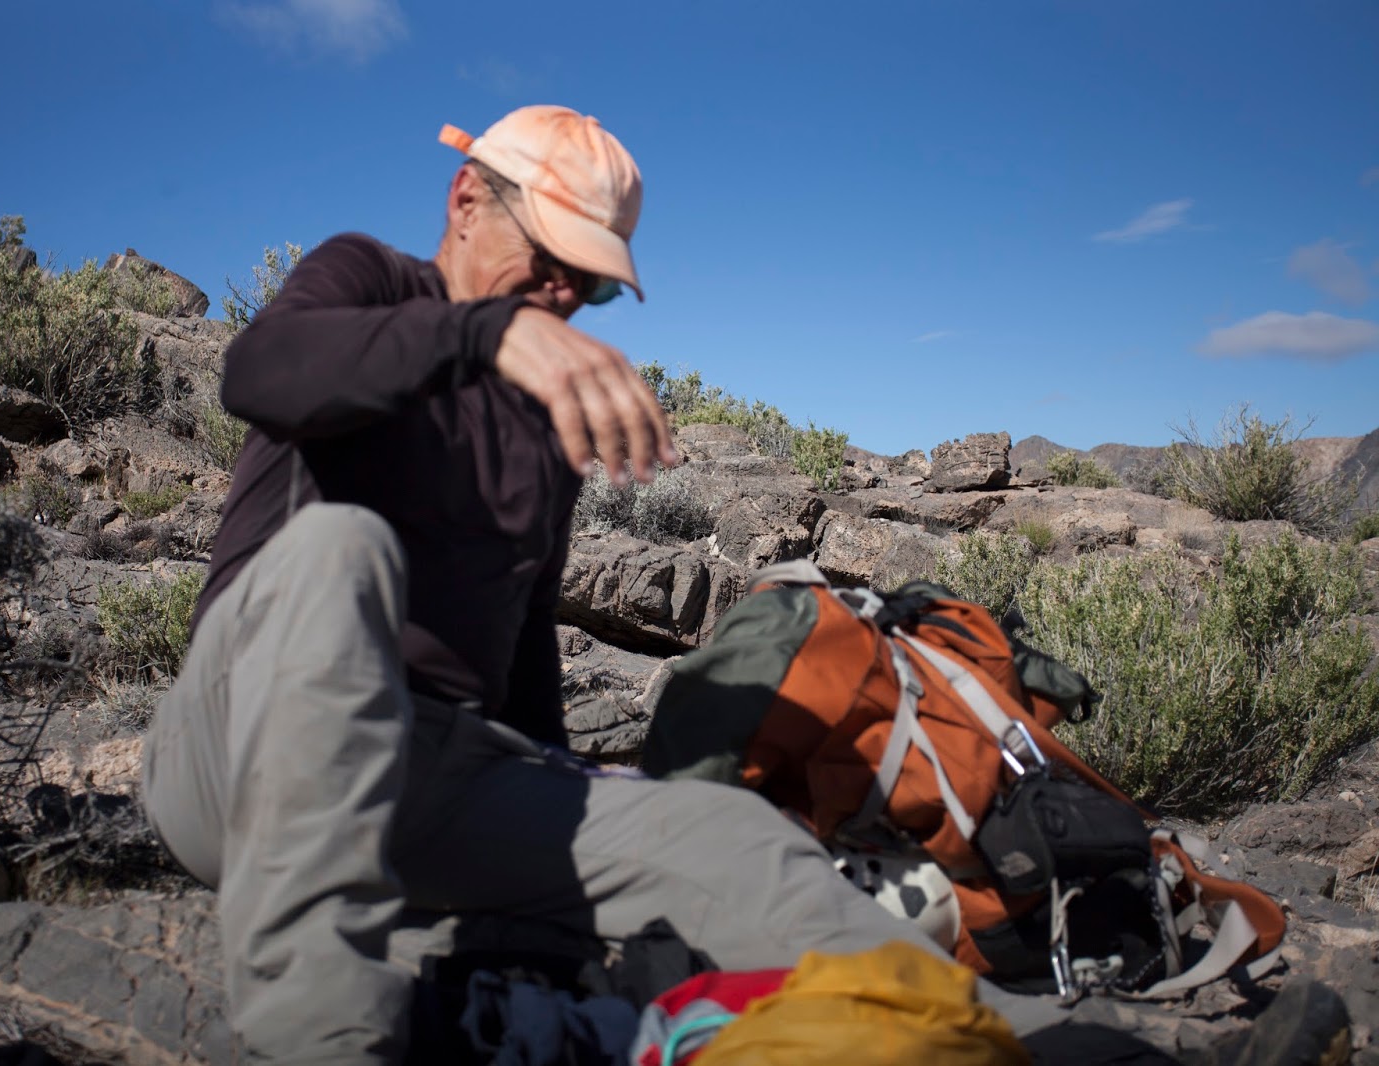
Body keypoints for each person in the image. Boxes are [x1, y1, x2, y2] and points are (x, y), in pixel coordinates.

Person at [140, 105, 1300, 1065]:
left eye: (588, 288)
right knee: (339, 551)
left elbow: (520, 644)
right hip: (246, 743)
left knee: (727, 836)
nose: (559, 300)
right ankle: (323, 1037)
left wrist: (567, 797)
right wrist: (476, 336)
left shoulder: (542, 423)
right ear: (464, 202)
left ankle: (1039, 1044)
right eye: (547, 263)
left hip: (434, 777)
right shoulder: (367, 278)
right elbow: (263, 375)